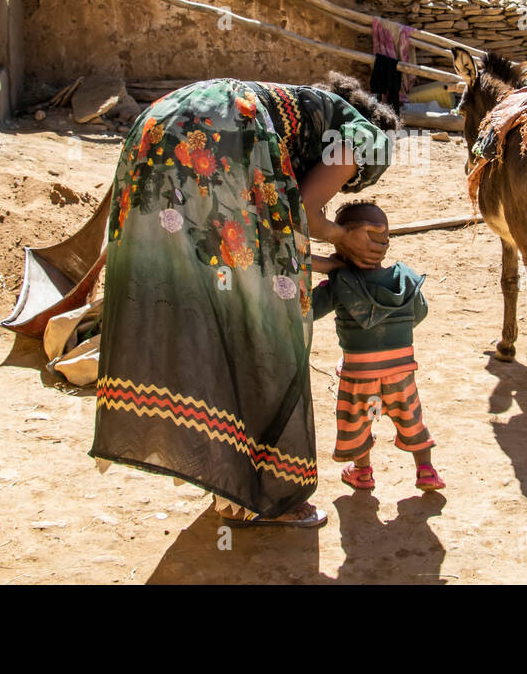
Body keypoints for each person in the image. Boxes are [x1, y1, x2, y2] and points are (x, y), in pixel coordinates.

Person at [90, 73, 397, 528]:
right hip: (219, 137)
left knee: (215, 298)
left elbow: (279, 247)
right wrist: (343, 238)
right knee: (265, 318)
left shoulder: (295, 119)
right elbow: (304, 218)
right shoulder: (370, 137)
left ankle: (223, 474)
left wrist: (336, 262)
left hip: (160, 128)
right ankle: (270, 490)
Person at [312, 200, 444, 493]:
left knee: (360, 422)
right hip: (401, 374)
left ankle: (362, 473)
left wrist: (325, 270)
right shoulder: (406, 278)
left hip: (360, 377)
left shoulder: (340, 282)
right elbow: (419, 313)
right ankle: (426, 471)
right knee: (411, 418)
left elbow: (307, 310)